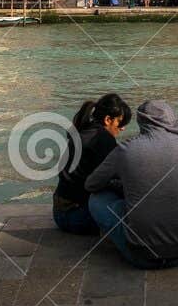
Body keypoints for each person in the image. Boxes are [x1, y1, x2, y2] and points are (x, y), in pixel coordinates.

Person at [86, 100, 178, 269]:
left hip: (140, 256)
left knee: (96, 200)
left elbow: (91, 185)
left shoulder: (125, 149)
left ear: (141, 121)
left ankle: (129, 240)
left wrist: (121, 184)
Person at [53, 93, 132, 234]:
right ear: (108, 120)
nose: (123, 128)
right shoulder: (103, 139)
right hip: (77, 218)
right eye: (121, 123)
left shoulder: (83, 130)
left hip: (60, 213)